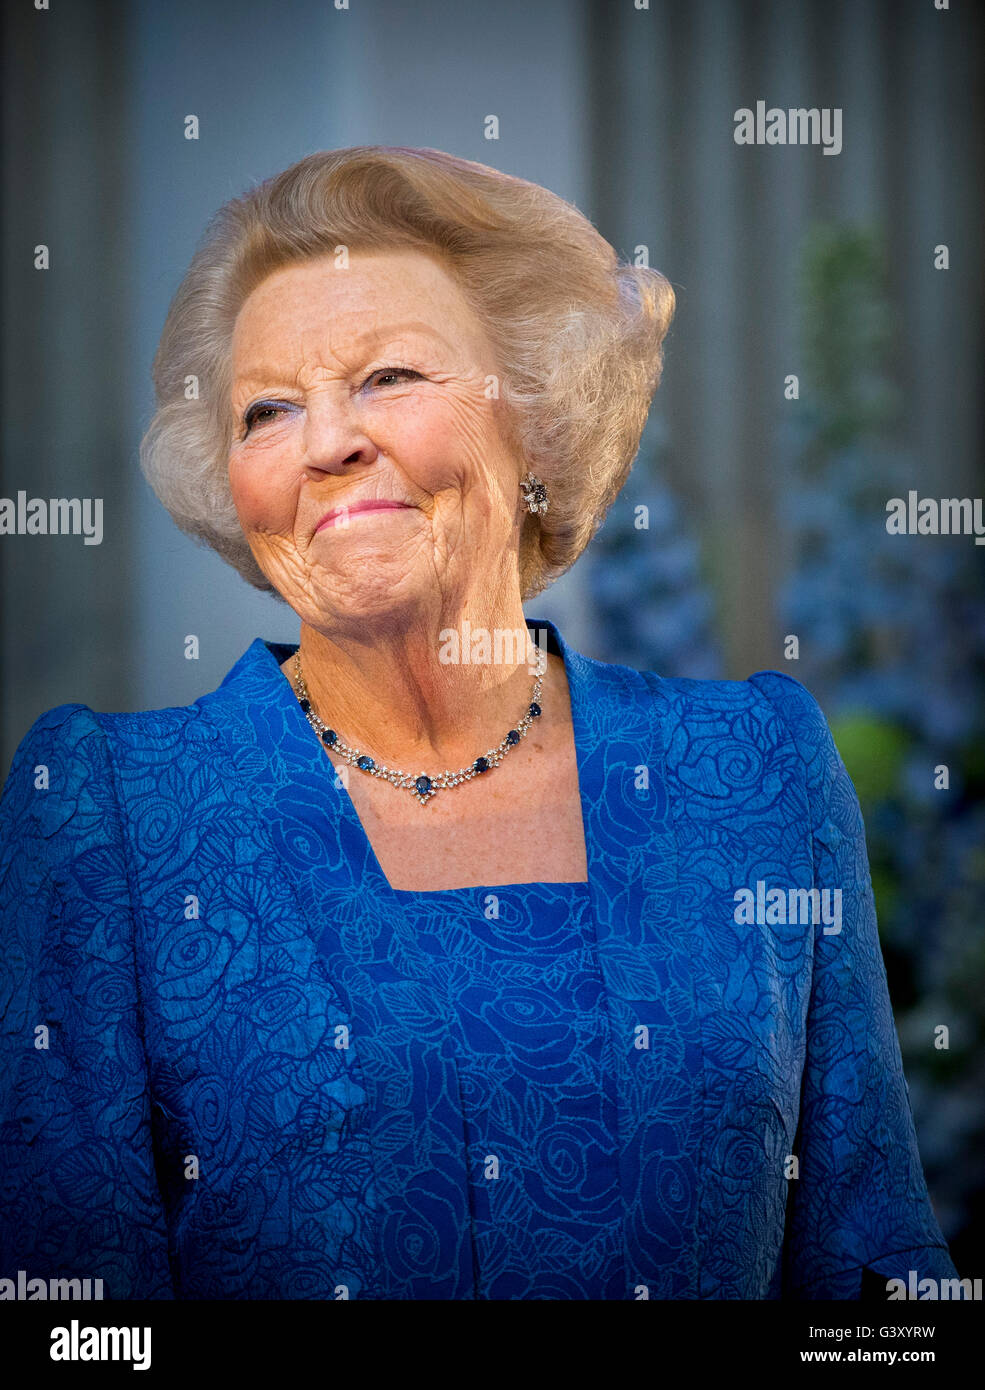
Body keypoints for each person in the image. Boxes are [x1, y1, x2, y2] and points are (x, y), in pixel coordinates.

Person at [0, 146, 958, 1300]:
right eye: (268, 409)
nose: (326, 443)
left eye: (389, 376)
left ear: (537, 422)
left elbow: (877, 1282)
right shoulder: (110, 811)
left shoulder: (755, 771)